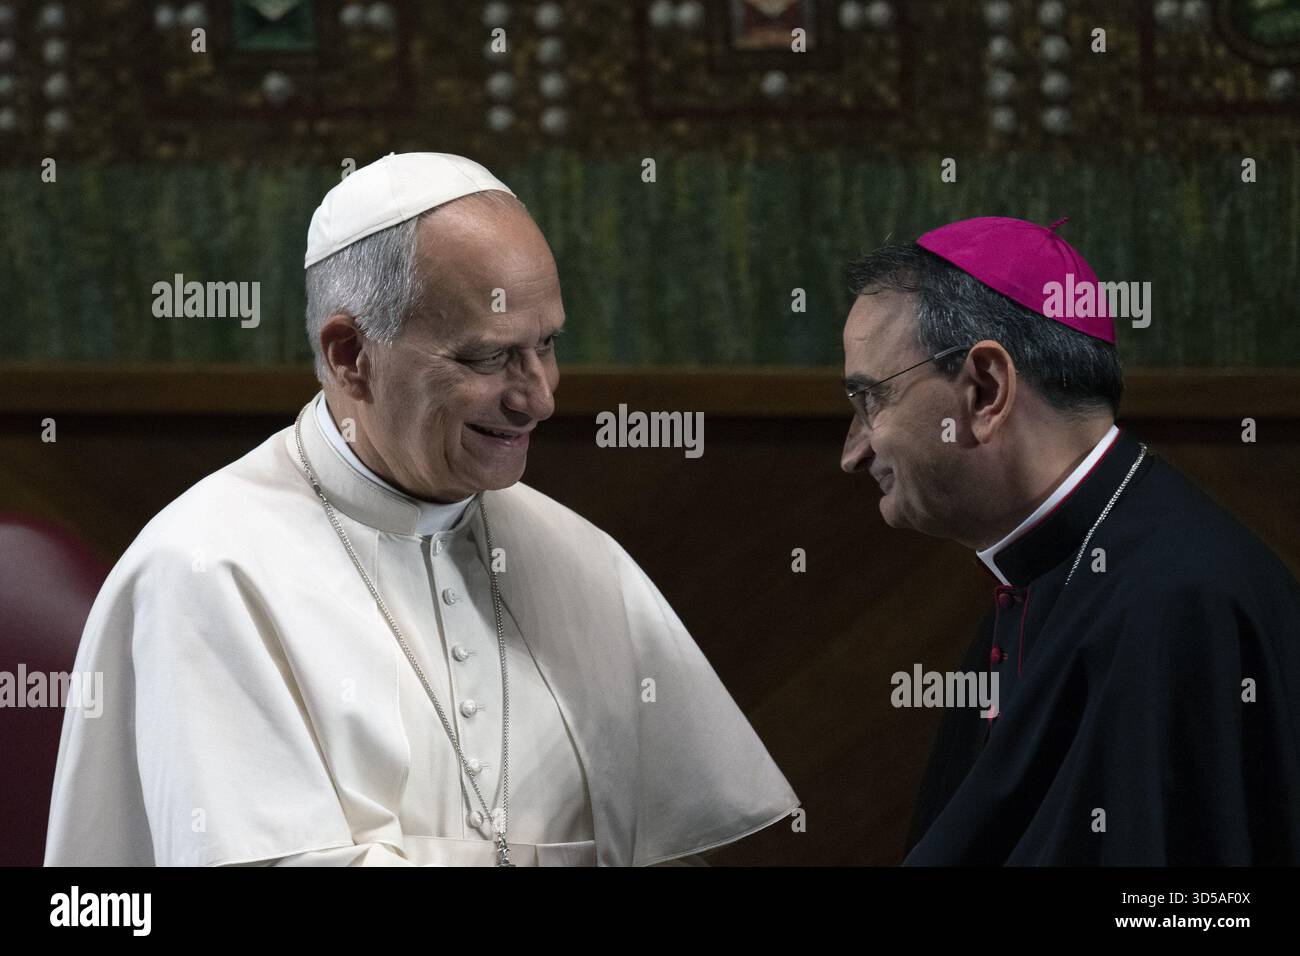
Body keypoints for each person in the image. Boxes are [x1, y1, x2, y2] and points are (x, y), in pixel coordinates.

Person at [44, 152, 798, 867]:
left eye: (549, 345)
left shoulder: (580, 558)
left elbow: (674, 847)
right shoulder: (208, 569)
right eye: (489, 355)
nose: (538, 396)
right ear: (350, 355)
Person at [839, 216, 1300, 864]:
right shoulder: (1042, 570)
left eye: (870, 399)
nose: (853, 452)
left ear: (986, 389)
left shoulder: (1182, 602)